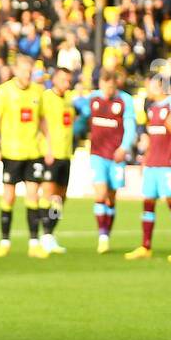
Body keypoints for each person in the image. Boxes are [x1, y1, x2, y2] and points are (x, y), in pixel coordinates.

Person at [0, 53, 52, 258]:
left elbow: (42, 120)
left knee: (33, 195)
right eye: (24, 71)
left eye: (30, 71)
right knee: (9, 196)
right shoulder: (4, 91)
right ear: (15, 70)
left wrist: (49, 145)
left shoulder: (38, 91)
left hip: (33, 151)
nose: (27, 75)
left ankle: (34, 243)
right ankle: (4, 241)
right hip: (11, 152)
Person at [126, 74, 171, 260]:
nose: (148, 88)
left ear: (160, 86)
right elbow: (152, 138)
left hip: (168, 163)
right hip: (152, 163)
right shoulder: (152, 109)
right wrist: (145, 159)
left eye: (151, 85)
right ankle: (145, 246)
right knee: (148, 203)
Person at [74, 68, 135, 254]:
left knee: (111, 197)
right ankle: (102, 236)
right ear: (100, 83)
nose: (108, 90)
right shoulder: (93, 98)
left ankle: (107, 233)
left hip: (115, 156)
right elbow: (81, 113)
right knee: (100, 195)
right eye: (104, 85)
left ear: (115, 84)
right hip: (97, 155)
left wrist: (124, 147)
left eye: (111, 86)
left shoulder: (125, 100)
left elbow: (130, 125)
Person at [38, 66, 77, 255]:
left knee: (61, 198)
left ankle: (50, 234)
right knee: (48, 193)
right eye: (63, 80)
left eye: (68, 80)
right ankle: (43, 235)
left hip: (66, 154)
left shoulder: (69, 99)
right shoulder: (46, 97)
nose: (66, 84)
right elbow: (39, 120)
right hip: (50, 153)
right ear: (54, 79)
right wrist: (47, 146)